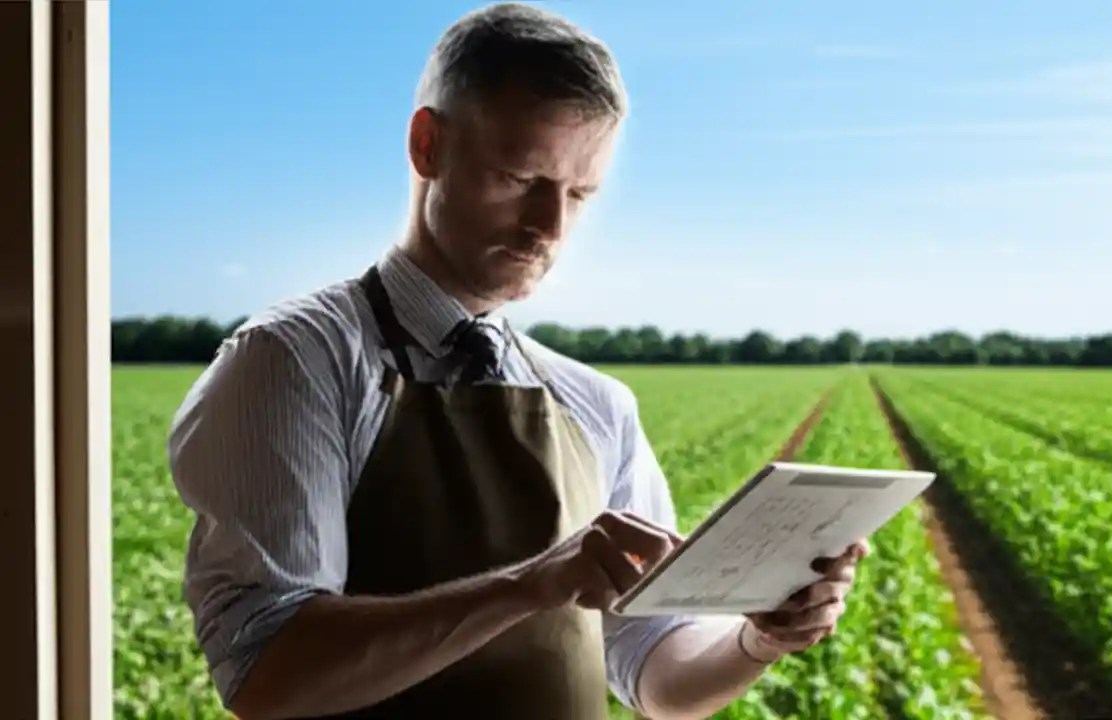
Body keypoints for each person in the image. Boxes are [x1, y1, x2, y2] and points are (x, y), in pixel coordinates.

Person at [168, 3, 870, 718]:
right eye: (519, 178)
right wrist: (530, 586)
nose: (550, 228)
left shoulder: (597, 403)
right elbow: (268, 674)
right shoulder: (294, 362)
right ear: (427, 146)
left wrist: (757, 639)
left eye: (579, 193)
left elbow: (657, 677)